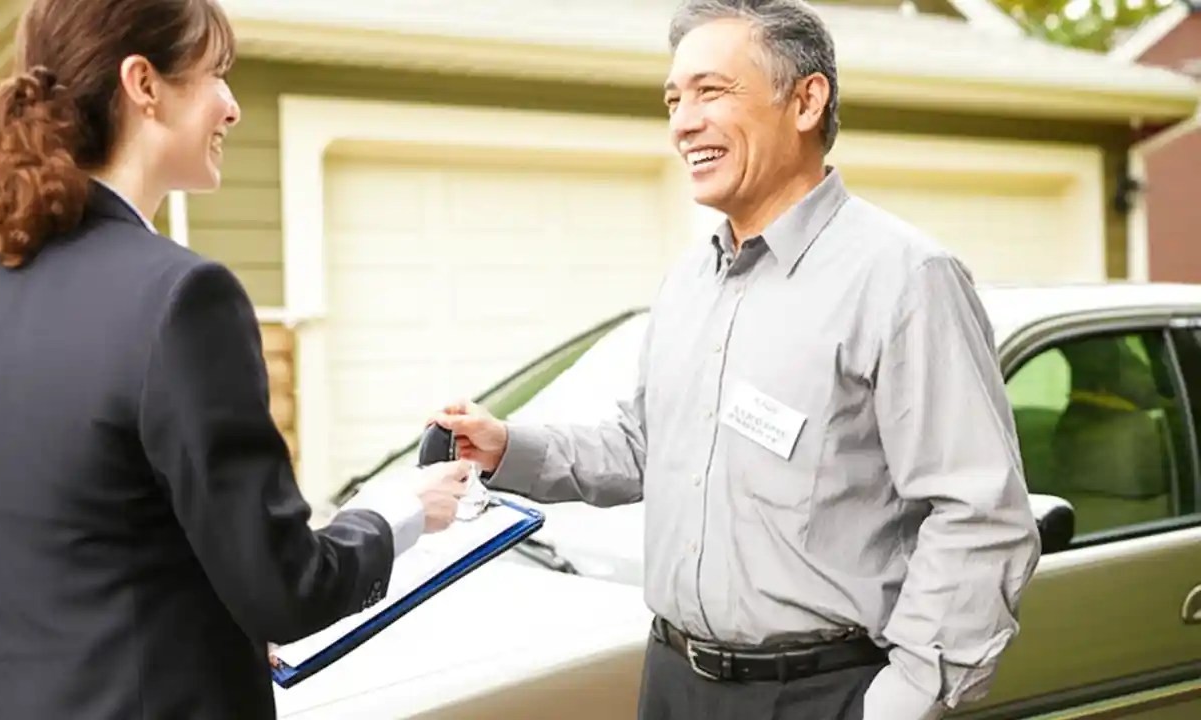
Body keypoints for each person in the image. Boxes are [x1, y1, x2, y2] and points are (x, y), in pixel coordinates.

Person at [431, 1, 1042, 719]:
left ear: (806, 101)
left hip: (819, 693)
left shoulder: (905, 278)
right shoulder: (690, 280)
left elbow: (980, 513)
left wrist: (904, 702)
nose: (683, 122)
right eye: (674, 98)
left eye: (711, 91)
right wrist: (509, 447)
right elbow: (645, 446)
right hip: (672, 681)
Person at [0, 1, 471, 718]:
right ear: (143, 84)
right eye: (216, 74)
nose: (233, 107)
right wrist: (400, 512)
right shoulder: (183, 299)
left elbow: (59, 546)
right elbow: (286, 589)